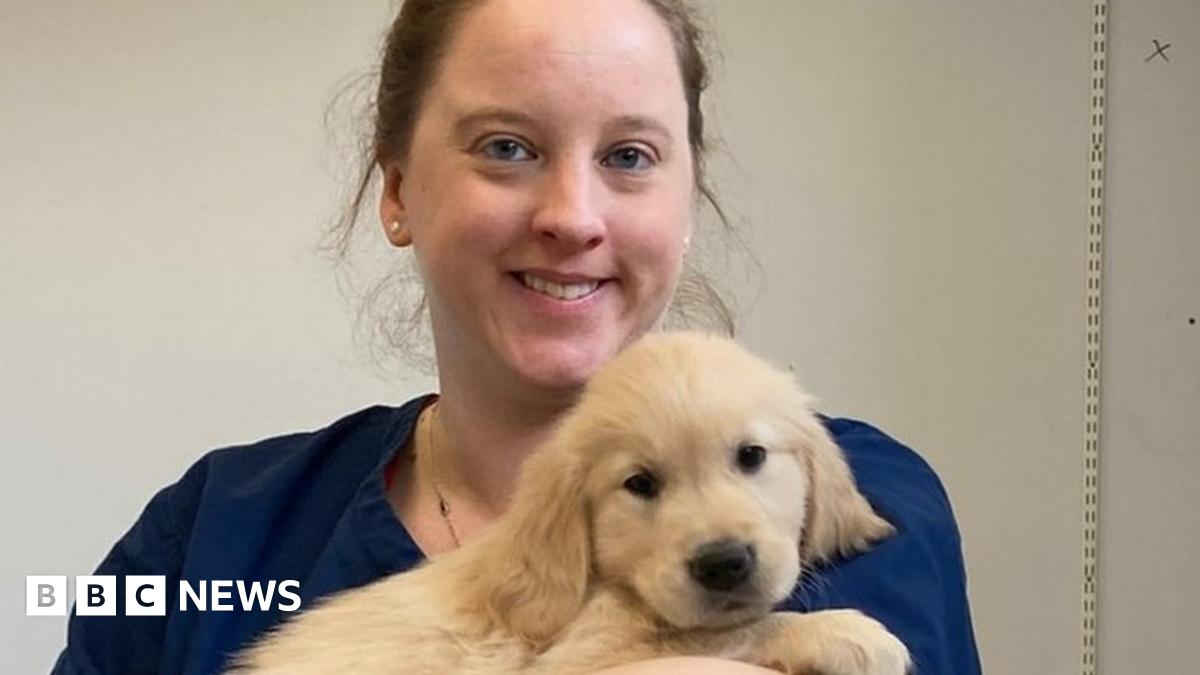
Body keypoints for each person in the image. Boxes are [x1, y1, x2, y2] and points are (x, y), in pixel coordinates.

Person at [53, 0, 981, 673]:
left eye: (628, 156)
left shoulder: (865, 507)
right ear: (400, 190)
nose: (571, 216)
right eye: (507, 146)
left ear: (685, 198)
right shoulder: (209, 533)